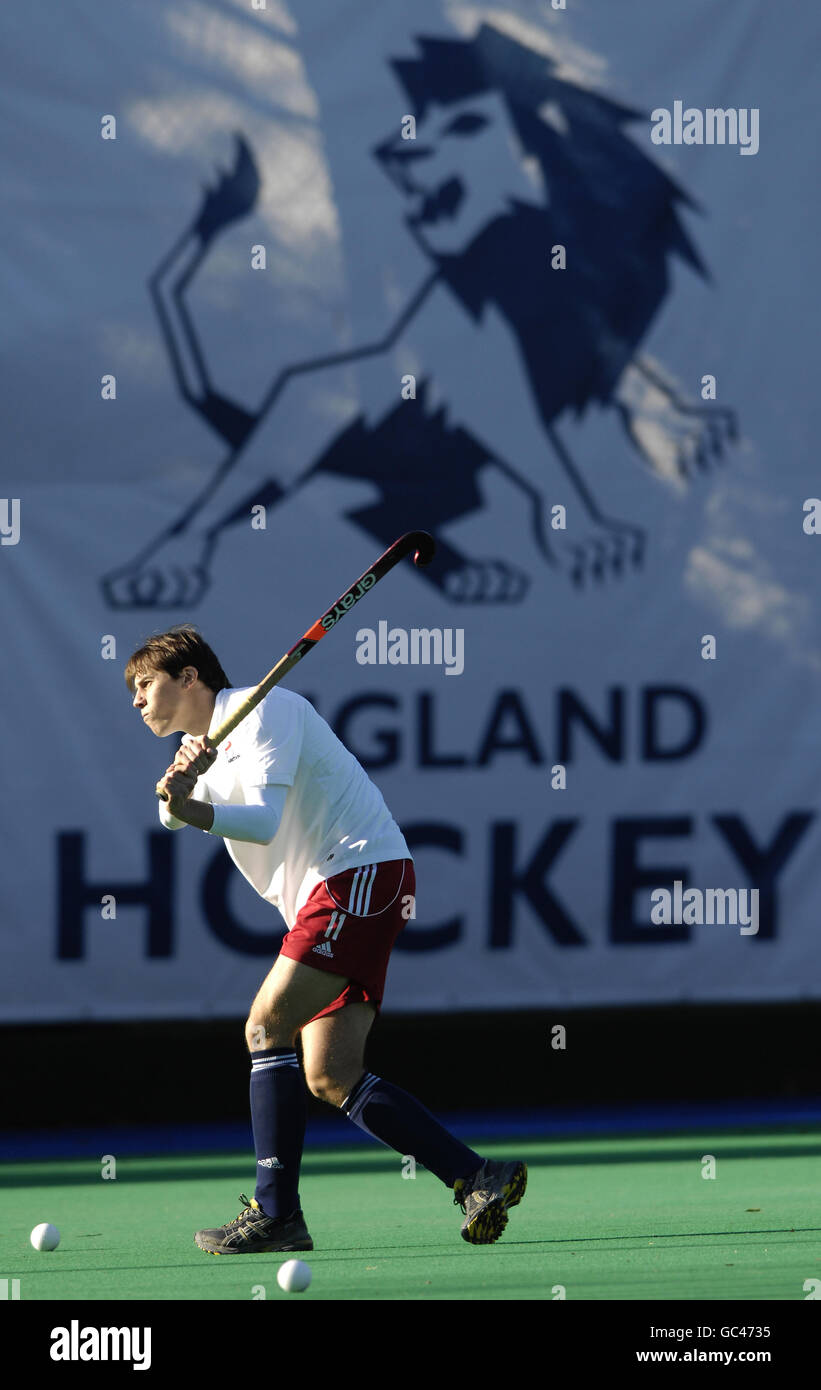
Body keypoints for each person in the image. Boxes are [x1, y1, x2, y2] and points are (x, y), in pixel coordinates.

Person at [126, 624, 526, 1252]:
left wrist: (189, 803)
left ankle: (276, 1212)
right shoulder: (205, 745)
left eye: (145, 685)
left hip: (355, 874)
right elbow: (168, 818)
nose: (137, 702)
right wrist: (179, 789)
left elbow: (259, 823)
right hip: (332, 894)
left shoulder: (268, 710)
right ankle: (478, 1176)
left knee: (265, 1027)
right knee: (331, 1073)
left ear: (189, 678)